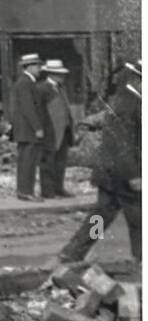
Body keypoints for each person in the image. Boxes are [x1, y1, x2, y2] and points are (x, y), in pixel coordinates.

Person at [58, 60, 141, 265]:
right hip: (122, 172)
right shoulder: (128, 103)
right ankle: (142, 259)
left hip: (111, 171)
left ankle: (73, 252)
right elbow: (123, 143)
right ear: (138, 79)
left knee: (102, 215)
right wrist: (135, 175)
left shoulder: (128, 99)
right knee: (139, 219)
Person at [10, 53, 49, 201]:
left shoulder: (25, 82)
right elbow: (28, 108)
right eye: (37, 65)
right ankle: (26, 192)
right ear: (30, 67)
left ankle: (24, 191)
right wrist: (37, 127)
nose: (39, 68)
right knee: (28, 160)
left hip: (26, 129)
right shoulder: (25, 83)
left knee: (26, 160)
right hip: (28, 129)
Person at [40, 59, 75, 197]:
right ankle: (47, 191)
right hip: (50, 131)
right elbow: (40, 111)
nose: (62, 76)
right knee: (48, 161)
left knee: (61, 161)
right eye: (59, 74)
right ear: (52, 74)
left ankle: (58, 187)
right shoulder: (42, 89)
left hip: (64, 130)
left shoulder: (60, 88)